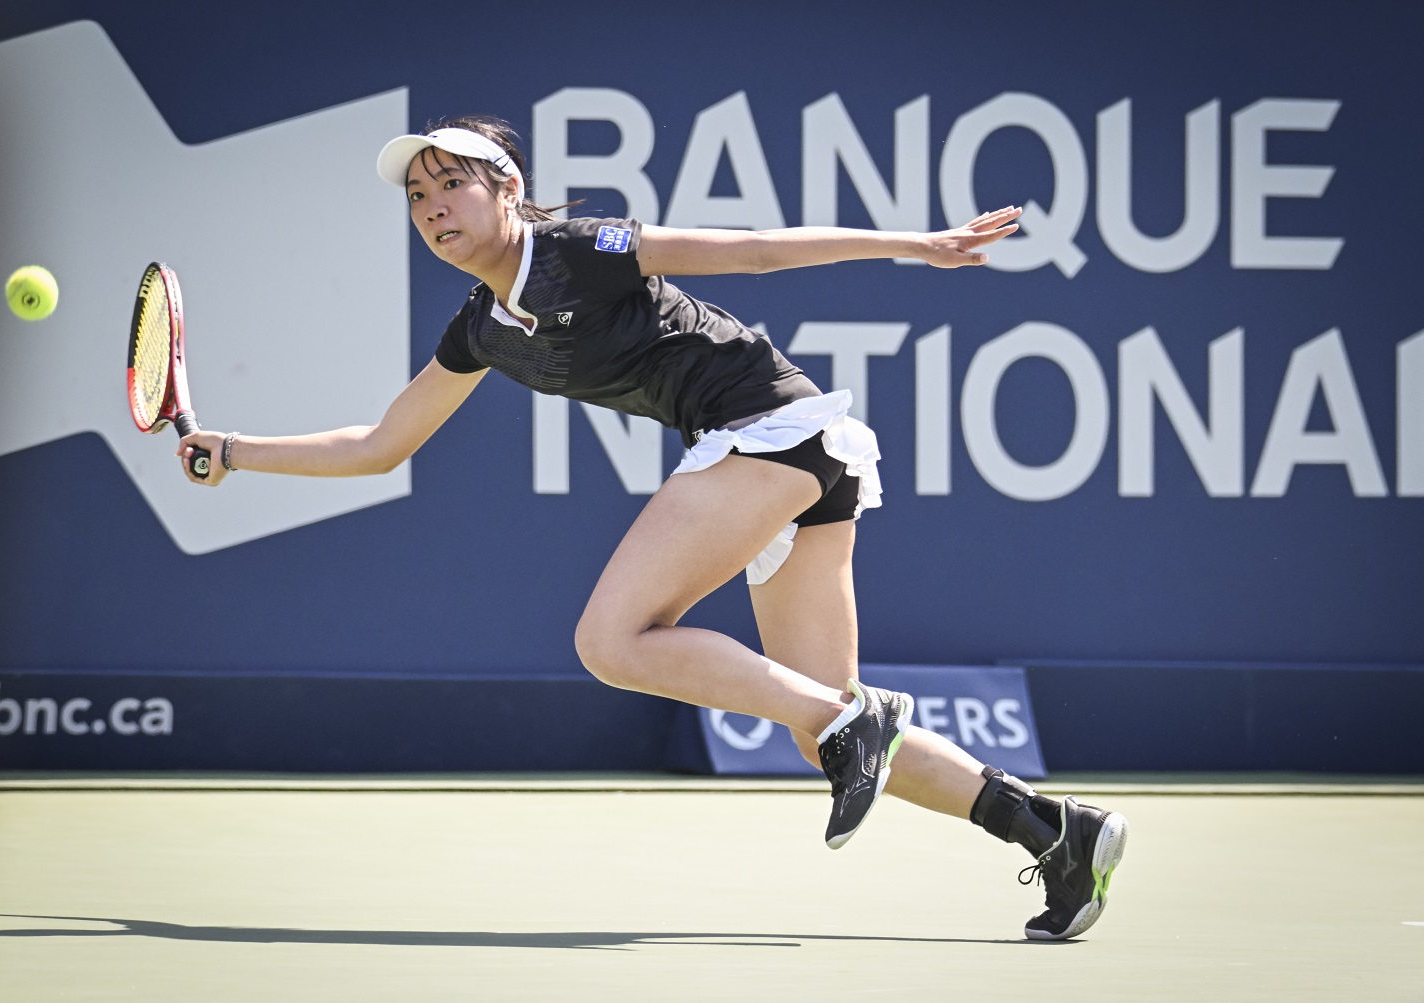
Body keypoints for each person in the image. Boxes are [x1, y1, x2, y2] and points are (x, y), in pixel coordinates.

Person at [179, 115, 1127, 940]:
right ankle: (1052, 830)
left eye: (453, 184)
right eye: (418, 196)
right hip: (796, 459)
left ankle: (856, 722)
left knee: (612, 640)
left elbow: (752, 250)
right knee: (815, 719)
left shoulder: (582, 248)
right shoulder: (479, 328)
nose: (433, 207)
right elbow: (380, 444)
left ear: (507, 189)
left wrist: (912, 244)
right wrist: (232, 449)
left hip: (772, 431)